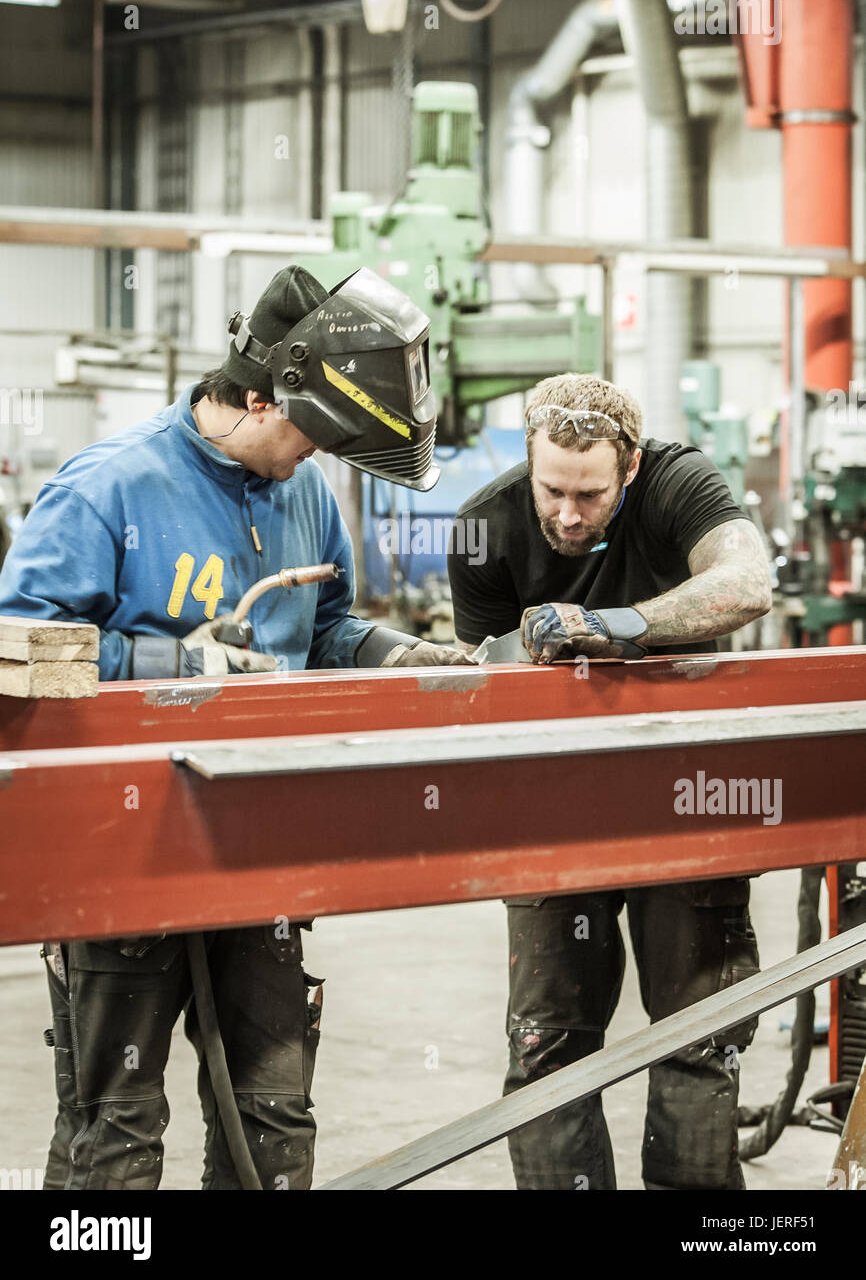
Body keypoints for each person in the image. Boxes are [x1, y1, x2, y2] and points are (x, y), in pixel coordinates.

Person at [0, 264, 469, 1190]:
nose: (313, 459)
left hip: (260, 846)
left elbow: (326, 626)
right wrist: (180, 666)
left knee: (274, 1114)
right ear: (258, 398)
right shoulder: (109, 488)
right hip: (125, 849)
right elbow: (21, 648)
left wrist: (400, 654)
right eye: (309, 436)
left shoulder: (303, 494)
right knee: (117, 1129)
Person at [447, 372, 772, 1191]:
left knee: (698, 1035)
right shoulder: (482, 529)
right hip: (553, 807)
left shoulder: (677, 481)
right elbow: (485, 690)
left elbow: (746, 584)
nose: (565, 513)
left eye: (589, 494)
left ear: (628, 468)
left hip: (687, 794)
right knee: (549, 1047)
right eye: (551, 488)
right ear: (528, 458)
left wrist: (616, 628)